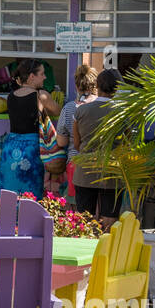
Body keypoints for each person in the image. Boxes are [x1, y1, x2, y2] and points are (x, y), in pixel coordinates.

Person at [0, 59, 60, 198]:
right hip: (31, 149)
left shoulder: (11, 96)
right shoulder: (41, 95)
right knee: (30, 192)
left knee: (9, 191)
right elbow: (57, 111)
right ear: (32, 76)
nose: (45, 77)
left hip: (10, 148)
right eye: (42, 74)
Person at [71, 68, 122, 222]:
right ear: (117, 88)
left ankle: (86, 246)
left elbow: (77, 144)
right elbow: (127, 143)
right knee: (110, 219)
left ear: (97, 86)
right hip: (111, 170)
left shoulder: (81, 110)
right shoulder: (122, 112)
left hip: (85, 170)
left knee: (85, 220)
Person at [56, 64, 99, 206]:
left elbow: (61, 142)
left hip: (76, 161)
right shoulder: (104, 107)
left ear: (76, 85)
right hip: (101, 162)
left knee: (77, 206)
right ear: (95, 85)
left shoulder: (69, 108)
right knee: (98, 204)